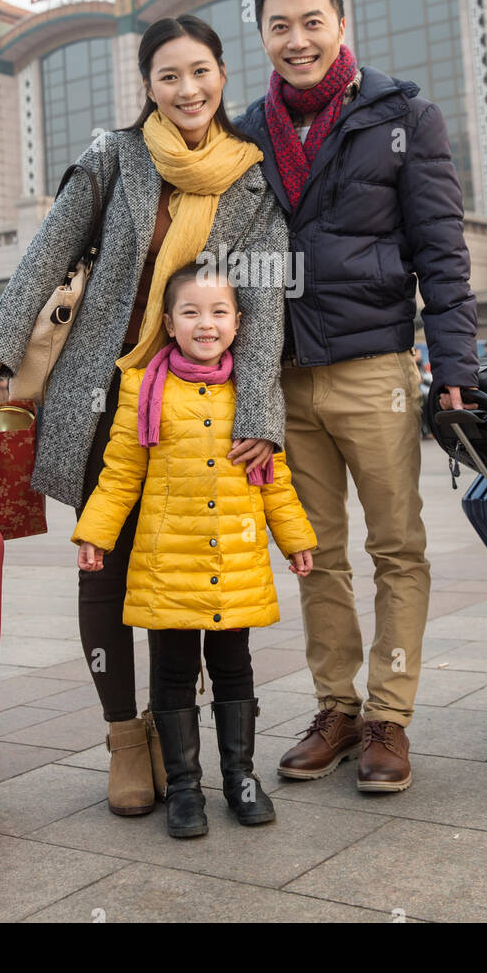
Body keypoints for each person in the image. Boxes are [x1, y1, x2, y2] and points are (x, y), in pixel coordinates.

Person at [0, 14, 290, 818]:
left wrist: (262, 412)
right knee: (105, 564)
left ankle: (187, 748)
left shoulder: (250, 179)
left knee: (183, 568)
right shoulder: (115, 157)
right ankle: (123, 740)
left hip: (198, 405)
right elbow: (47, 254)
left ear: (222, 76)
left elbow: (264, 305)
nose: (187, 89)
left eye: (199, 72)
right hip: (101, 398)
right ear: (148, 86)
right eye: (169, 77)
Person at [234, 0, 478, 793]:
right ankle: (335, 708)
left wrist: (455, 365)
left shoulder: (404, 114)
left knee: (398, 549)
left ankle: (389, 718)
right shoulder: (245, 133)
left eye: (311, 22)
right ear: (260, 36)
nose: (297, 40)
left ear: (341, 23)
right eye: (279, 26)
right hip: (282, 376)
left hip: (376, 367)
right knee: (314, 554)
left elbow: (442, 253)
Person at [73, 263, 316, 838]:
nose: (205, 324)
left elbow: (274, 476)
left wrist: (298, 538)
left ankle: (241, 780)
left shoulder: (252, 392)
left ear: (238, 322)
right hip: (166, 566)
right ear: (168, 322)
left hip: (234, 562)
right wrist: (96, 532)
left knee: (234, 670)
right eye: (191, 312)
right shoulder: (143, 388)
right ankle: (184, 789)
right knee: (173, 674)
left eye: (218, 312)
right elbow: (120, 473)